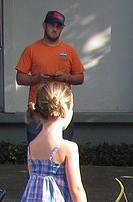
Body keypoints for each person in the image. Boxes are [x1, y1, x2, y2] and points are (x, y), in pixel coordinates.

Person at [15, 10, 85, 145]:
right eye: (52, 25)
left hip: (62, 108)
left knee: (62, 149)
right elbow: (20, 78)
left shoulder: (69, 50)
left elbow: (80, 78)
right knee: (35, 149)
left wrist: (65, 77)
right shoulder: (31, 49)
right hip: (37, 108)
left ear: (62, 28)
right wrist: (38, 78)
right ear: (44, 25)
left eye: (58, 26)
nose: (55, 29)